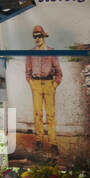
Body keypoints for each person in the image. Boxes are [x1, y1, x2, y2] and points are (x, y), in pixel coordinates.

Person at [25, 25, 62, 154]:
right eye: (34, 36)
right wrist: (32, 84)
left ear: (43, 36)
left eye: (39, 36)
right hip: (35, 84)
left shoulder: (51, 51)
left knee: (50, 115)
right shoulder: (30, 53)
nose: (37, 39)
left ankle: (53, 143)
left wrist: (54, 85)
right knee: (37, 114)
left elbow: (59, 72)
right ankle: (39, 141)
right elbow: (27, 72)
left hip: (49, 84)